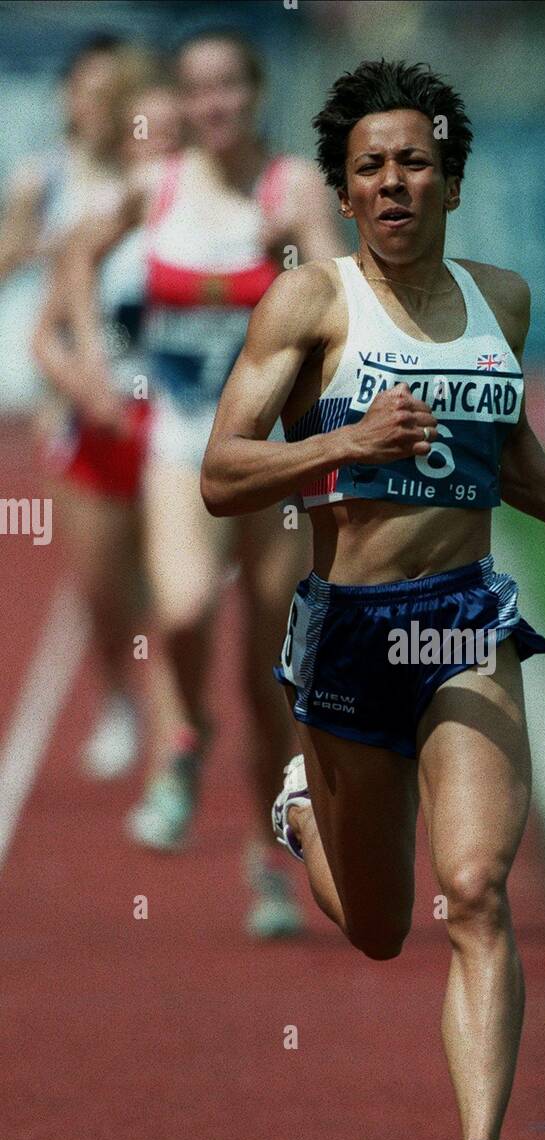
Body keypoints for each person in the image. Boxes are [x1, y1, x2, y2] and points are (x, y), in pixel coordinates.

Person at [202, 59, 545, 1140]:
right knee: (380, 927)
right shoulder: (308, 305)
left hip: (461, 621)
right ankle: (303, 815)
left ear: (448, 178)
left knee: (476, 890)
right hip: (346, 633)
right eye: (368, 170)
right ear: (344, 195)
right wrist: (345, 439)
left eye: (411, 164)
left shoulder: (501, 297)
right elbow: (221, 475)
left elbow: (506, 445)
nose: (391, 185)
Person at [66, 30, 345, 938]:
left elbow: (343, 296)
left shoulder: (291, 189)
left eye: (229, 86)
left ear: (257, 91)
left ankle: (265, 863)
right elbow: (73, 259)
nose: (213, 104)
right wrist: (96, 372)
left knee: (272, 675)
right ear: (180, 104)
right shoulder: (158, 188)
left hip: (272, 459)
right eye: (196, 90)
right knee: (182, 611)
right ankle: (185, 739)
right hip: (182, 446)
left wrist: (299, 275)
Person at [2, 35, 172, 778]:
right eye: (85, 92)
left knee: (171, 578)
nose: (97, 107)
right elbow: (8, 259)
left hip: (165, 404)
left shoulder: (160, 178)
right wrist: (41, 245)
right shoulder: (46, 178)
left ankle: (177, 734)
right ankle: (116, 697)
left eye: (113, 94)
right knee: (103, 581)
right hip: (75, 396)